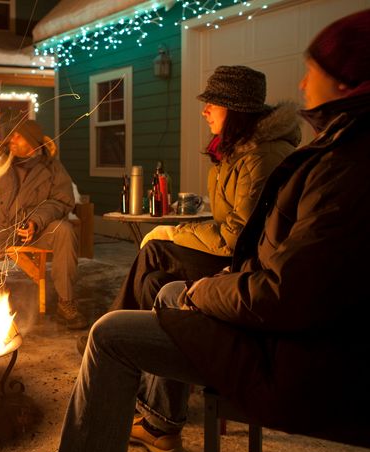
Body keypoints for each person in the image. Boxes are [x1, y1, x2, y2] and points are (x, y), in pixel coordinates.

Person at [54, 9, 370, 452]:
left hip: (292, 353)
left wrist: (207, 291)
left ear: (343, 83)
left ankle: (137, 398)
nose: (301, 85)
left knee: (124, 317)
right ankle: (159, 420)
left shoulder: (335, 165)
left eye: (310, 72)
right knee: (159, 278)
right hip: (272, 313)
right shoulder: (327, 151)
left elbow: (273, 276)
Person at [77, 65, 301, 354]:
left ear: (235, 108)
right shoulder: (235, 152)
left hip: (247, 264)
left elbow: (237, 236)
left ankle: (107, 336)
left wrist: (174, 231)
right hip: (234, 255)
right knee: (153, 282)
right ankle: (137, 350)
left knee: (156, 249)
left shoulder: (261, 157)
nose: (204, 110)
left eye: (212, 103)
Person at [0, 119, 86, 329]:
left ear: (31, 142)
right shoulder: (0, 165)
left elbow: (61, 201)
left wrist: (35, 221)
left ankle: (65, 303)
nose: (12, 139)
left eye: (18, 135)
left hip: (36, 229)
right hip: (1, 227)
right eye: (12, 135)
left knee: (64, 230)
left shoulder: (53, 169)